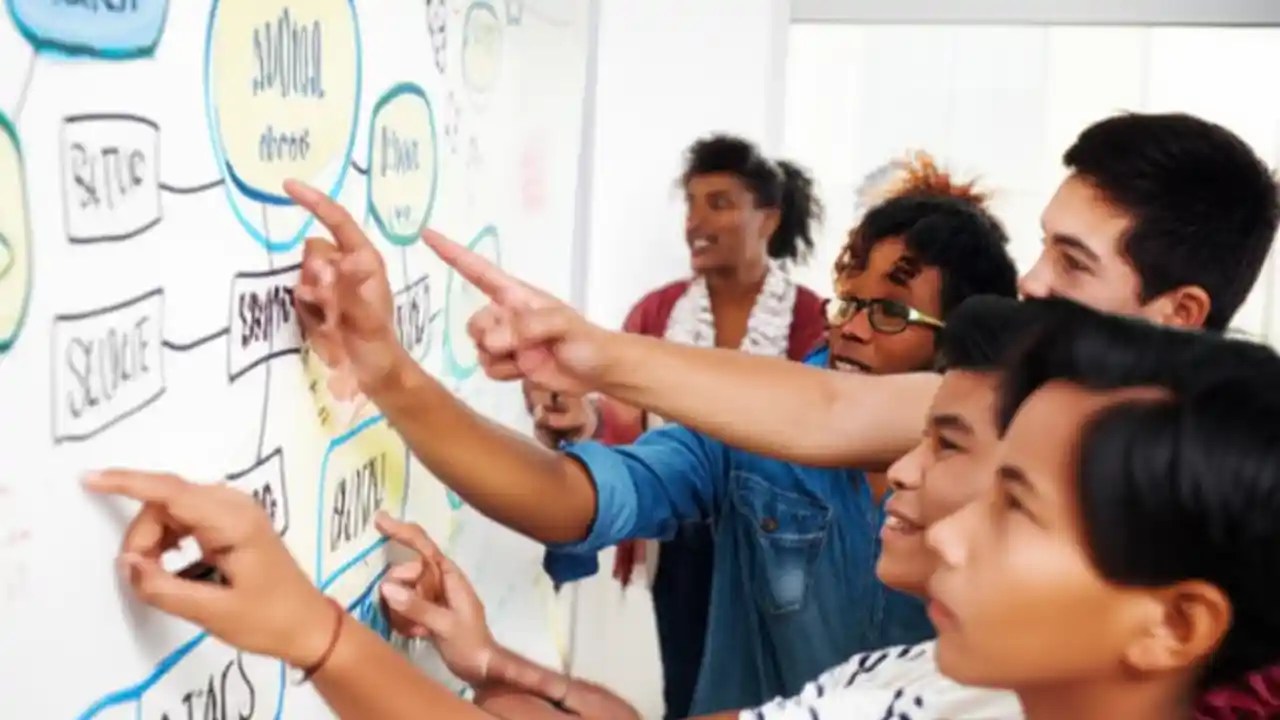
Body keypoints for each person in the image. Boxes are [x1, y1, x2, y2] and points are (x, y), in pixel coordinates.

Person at [289, 153, 1019, 712]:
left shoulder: (1012, 505)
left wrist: (305, 633)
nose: (853, 331)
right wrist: (389, 371)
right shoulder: (756, 421)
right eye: (847, 301)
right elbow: (571, 496)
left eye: (889, 312)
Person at [432, 112, 1279, 471]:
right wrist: (594, 353)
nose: (1034, 281)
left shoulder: (1225, 474)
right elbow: (823, 411)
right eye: (1043, 246)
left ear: (1182, 314)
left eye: (1074, 262)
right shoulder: (1022, 393)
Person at [531, 134, 827, 719]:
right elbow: (623, 416)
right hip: (685, 546)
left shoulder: (813, 318)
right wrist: (582, 414)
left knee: (786, 689)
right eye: (690, 204)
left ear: (767, 217)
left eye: (718, 203)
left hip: (785, 542)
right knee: (688, 689)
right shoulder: (656, 313)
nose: (696, 221)